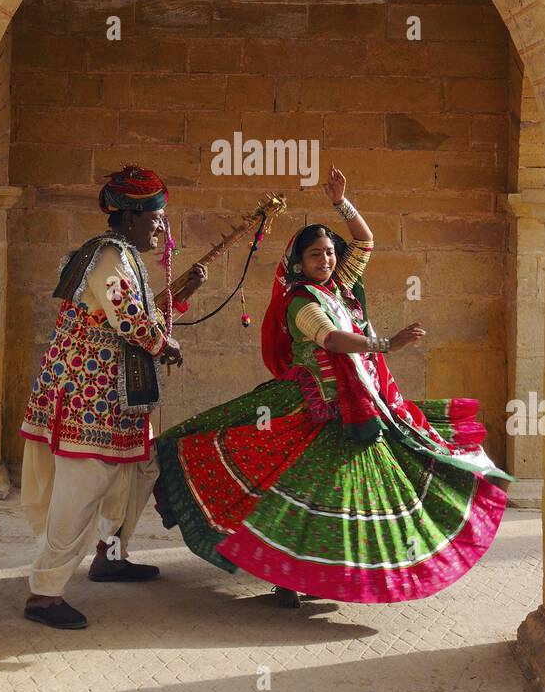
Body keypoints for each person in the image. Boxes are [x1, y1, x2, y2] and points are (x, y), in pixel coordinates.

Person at [155, 165, 512, 608]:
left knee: (329, 501)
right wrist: (388, 343)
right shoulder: (301, 301)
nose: (324, 261)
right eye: (314, 256)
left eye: (328, 253)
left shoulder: (339, 288)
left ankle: (307, 579)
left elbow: (364, 241)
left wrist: (341, 203)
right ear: (298, 265)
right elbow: (332, 339)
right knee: (296, 496)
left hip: (356, 405)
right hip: (312, 412)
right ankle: (287, 581)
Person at [19, 164, 206, 629]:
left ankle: (111, 556)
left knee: (140, 471)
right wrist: (167, 344)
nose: (162, 227)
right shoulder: (107, 258)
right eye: (156, 219)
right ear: (129, 216)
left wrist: (179, 300)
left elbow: (133, 318)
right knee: (81, 491)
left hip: (116, 400)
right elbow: (132, 324)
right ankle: (44, 594)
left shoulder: (123, 258)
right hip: (87, 401)